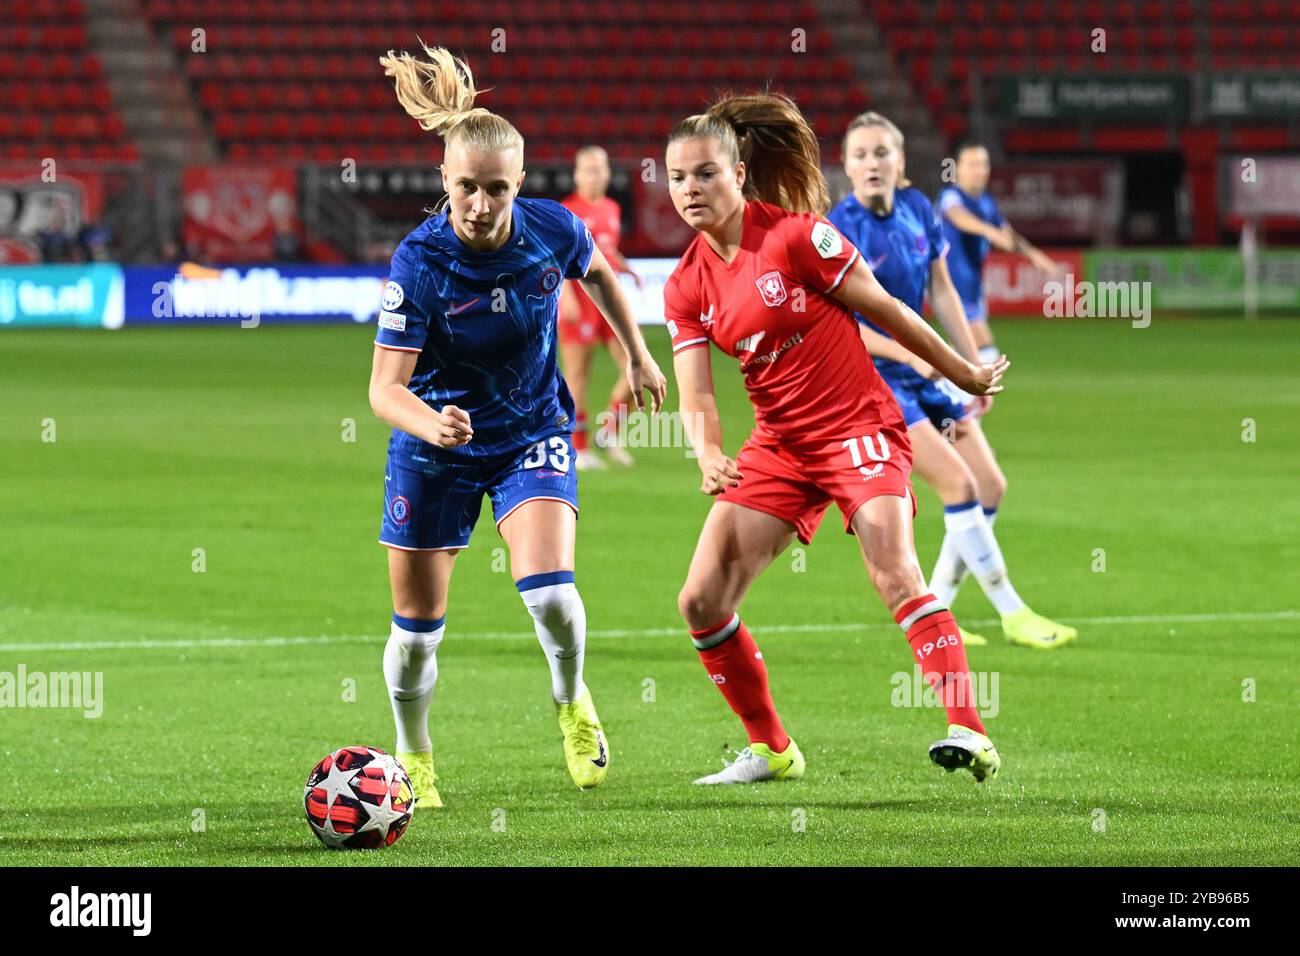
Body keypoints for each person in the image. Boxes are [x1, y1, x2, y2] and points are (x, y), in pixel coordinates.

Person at [663, 93, 1007, 786]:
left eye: (705, 173)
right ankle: (772, 749)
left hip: (859, 427)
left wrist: (962, 369)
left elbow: (888, 309)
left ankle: (969, 731)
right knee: (700, 600)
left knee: (891, 563)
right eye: (676, 177)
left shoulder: (796, 237)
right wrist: (707, 451)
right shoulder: (685, 283)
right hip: (781, 446)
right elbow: (696, 391)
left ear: (739, 172)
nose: (690, 189)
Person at [368, 43, 667, 806]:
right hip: (435, 450)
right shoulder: (418, 264)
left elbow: (596, 271)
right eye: (465, 187)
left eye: (495, 190)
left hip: (530, 433)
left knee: (552, 598)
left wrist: (635, 355)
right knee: (416, 635)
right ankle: (416, 758)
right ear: (444, 179)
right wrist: (433, 426)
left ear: (520, 185)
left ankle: (572, 705)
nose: (478, 204)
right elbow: (383, 391)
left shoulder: (552, 229)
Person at [829, 112, 1077, 650]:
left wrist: (972, 369)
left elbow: (942, 290)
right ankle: (1013, 612)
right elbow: (841, 326)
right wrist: (915, 356)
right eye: (860, 155)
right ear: (846, 166)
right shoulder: (837, 229)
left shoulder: (918, 209)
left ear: (900, 161)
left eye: (881, 153)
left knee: (990, 485)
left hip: (923, 370)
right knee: (958, 485)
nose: (872, 163)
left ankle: (935, 603)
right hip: (874, 385)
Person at [939, 141, 1060, 365]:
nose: (980, 170)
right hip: (953, 287)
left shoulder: (986, 203)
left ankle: (940, 392)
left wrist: (1033, 254)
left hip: (972, 288)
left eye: (983, 164)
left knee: (962, 355)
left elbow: (1006, 233)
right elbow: (957, 216)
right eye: (972, 164)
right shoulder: (951, 196)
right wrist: (988, 230)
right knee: (984, 350)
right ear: (957, 169)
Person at [559, 145, 642, 469]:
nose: (596, 175)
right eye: (589, 169)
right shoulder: (568, 210)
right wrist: (565, 295)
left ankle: (609, 432)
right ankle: (578, 448)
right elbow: (560, 257)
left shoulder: (611, 208)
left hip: (609, 299)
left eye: (601, 168)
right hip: (580, 299)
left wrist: (627, 267)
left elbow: (605, 250)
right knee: (578, 376)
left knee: (635, 365)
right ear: (577, 174)